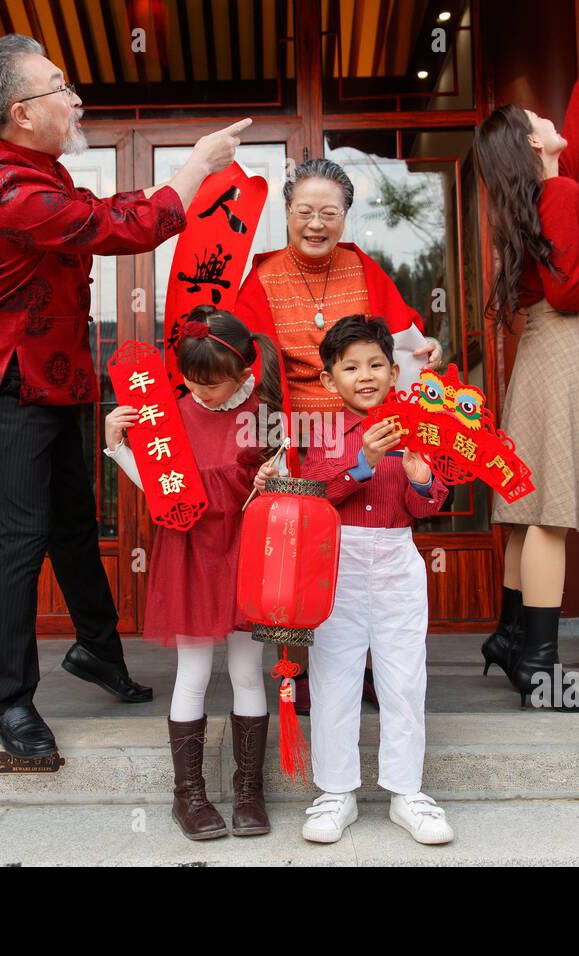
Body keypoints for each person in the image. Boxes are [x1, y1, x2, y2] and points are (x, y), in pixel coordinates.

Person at [0, 33, 252, 759]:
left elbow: (115, 205)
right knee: (21, 539)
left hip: (54, 380)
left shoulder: (40, 170)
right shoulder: (10, 184)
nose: (76, 98)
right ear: (23, 111)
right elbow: (116, 226)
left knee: (76, 527)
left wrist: (173, 184)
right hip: (3, 387)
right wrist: (195, 168)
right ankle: (10, 700)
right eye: (61, 86)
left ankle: (95, 650)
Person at [233, 157, 444, 713]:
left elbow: (405, 340)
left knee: (364, 543)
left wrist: (428, 350)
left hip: (367, 429)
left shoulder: (363, 267)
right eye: (304, 211)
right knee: (299, 555)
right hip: (294, 431)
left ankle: (364, 662)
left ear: (346, 215)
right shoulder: (261, 276)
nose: (316, 223)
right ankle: (295, 674)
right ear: (286, 212)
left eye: (330, 212)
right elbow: (244, 364)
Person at [472, 0, 579, 709]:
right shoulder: (559, 191)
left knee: (526, 508)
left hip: (542, 352)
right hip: (562, 347)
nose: (550, 120)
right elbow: (572, 293)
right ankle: (539, 670)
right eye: (539, 120)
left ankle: (509, 638)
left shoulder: (548, 190)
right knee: (549, 513)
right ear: (533, 145)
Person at [255, 315, 453, 846]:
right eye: (351, 367)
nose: (365, 376)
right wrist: (362, 463)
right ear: (328, 380)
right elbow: (309, 498)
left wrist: (423, 478)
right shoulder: (317, 435)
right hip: (334, 563)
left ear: (394, 371)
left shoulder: (416, 426)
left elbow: (427, 505)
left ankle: (407, 792)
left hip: (396, 559)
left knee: (404, 679)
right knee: (334, 679)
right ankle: (335, 792)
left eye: (376, 365)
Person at [105, 307, 281, 840]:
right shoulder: (170, 415)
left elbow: (287, 487)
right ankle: (190, 796)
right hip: (191, 554)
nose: (202, 393)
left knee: (249, 673)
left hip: (249, 552)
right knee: (194, 675)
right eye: (192, 382)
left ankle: (251, 790)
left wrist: (278, 475)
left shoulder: (265, 411)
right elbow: (161, 491)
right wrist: (117, 445)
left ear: (244, 368)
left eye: (214, 383)